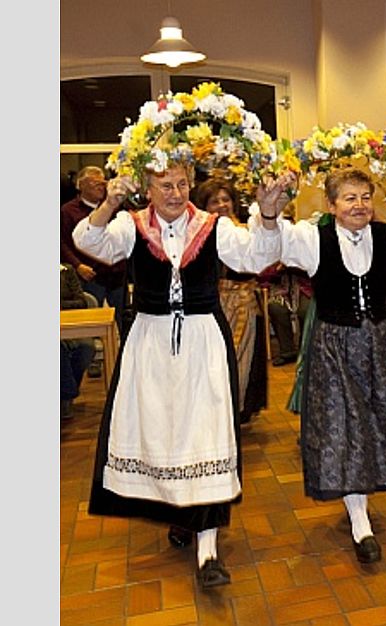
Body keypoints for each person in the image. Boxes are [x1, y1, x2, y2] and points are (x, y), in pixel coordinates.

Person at [73, 163, 293, 588]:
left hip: (203, 339)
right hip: (151, 342)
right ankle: (179, 513)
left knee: (205, 432)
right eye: (165, 185)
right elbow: (88, 240)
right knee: (162, 430)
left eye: (181, 184)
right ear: (149, 189)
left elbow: (257, 256)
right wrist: (112, 200)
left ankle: (208, 548)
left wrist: (267, 215)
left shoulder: (214, 227)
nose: (175, 193)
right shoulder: (131, 225)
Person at [267, 167, 386, 564]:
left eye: (364, 197)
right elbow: (270, 243)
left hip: (383, 344)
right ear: (331, 205)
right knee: (345, 426)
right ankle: (360, 520)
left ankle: (366, 499)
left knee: (380, 421)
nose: (359, 205)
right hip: (335, 344)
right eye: (349, 198)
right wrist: (269, 210)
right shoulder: (312, 239)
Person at [194, 177, 269, 423]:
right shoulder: (199, 234)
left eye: (226, 200)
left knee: (241, 356)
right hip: (212, 303)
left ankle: (236, 409)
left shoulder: (246, 229)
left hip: (244, 302)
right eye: (214, 201)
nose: (222, 205)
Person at [61, 166, 130, 334]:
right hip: (90, 276)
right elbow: (61, 242)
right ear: (81, 185)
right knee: (92, 326)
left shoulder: (115, 207)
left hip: (117, 275)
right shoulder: (68, 211)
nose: (101, 187)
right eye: (95, 183)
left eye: (103, 183)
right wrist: (78, 266)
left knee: (125, 322)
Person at [61, 263, 98, 420]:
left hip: (72, 326)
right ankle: (67, 395)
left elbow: (81, 301)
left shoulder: (67, 270)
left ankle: (65, 397)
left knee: (86, 346)